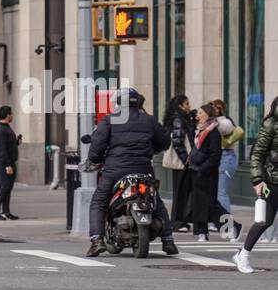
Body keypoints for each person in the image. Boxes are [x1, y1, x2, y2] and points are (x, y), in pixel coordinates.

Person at [85, 87, 177, 257]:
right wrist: (151, 149)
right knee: (156, 200)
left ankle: (97, 240)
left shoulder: (110, 120)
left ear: (120, 103)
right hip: (143, 168)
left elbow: (97, 143)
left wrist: (94, 159)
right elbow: (164, 142)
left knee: (99, 201)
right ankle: (168, 240)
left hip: (115, 169)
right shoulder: (149, 120)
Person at [235, 97, 278, 274]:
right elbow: (257, 154)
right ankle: (243, 255)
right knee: (264, 222)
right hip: (272, 180)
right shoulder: (271, 124)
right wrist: (257, 180)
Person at [187, 103, 222, 242]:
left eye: (200, 113)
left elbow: (215, 156)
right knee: (199, 203)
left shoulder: (213, 132)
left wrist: (202, 169)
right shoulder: (200, 130)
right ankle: (201, 231)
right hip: (197, 171)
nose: (197, 116)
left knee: (210, 204)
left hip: (207, 173)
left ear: (207, 115)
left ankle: (232, 228)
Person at [162, 95, 194, 231]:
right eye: (187, 104)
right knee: (181, 192)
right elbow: (178, 142)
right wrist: (185, 159)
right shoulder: (178, 120)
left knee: (183, 192)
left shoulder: (180, 119)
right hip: (181, 163)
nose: (189, 106)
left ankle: (180, 220)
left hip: (182, 161)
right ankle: (176, 222)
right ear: (181, 106)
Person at [214, 98, 244, 241]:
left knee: (222, 193)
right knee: (216, 193)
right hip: (218, 158)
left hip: (225, 158)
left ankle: (229, 227)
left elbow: (225, 127)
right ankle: (221, 223)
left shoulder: (224, 122)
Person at [0, 105, 19, 220]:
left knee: (8, 187)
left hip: (9, 161)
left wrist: (16, 142)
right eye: (11, 114)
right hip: (2, 163)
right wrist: (7, 165)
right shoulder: (0, 129)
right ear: (7, 115)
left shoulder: (5, 127)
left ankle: (6, 212)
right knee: (4, 187)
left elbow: (8, 144)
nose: (12, 116)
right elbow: (1, 149)